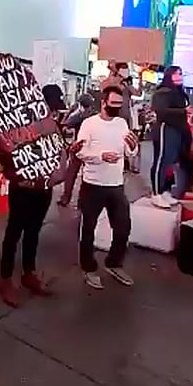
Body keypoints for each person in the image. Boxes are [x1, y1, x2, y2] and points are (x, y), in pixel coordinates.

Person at [0, 84, 66, 307]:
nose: (54, 112)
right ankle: (5, 279)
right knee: (14, 231)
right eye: (51, 108)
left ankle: (29, 273)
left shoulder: (54, 125)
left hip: (43, 188)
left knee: (34, 231)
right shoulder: (21, 123)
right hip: (22, 188)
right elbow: (6, 152)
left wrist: (58, 173)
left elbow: (59, 153)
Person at [74, 86, 139, 289]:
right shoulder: (89, 124)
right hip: (92, 184)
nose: (117, 108)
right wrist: (100, 156)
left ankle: (114, 262)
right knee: (88, 230)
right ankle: (89, 268)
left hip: (116, 184)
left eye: (120, 105)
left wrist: (133, 147)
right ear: (104, 102)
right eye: (114, 104)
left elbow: (130, 152)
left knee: (123, 227)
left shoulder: (122, 123)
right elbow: (79, 152)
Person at [149, 66, 192, 208]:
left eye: (181, 74)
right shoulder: (163, 92)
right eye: (176, 74)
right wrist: (183, 111)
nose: (179, 76)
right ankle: (156, 193)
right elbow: (161, 111)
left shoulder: (180, 93)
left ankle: (166, 190)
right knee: (162, 161)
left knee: (171, 162)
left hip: (178, 130)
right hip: (165, 129)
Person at [57, 92, 96, 206]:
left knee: (71, 174)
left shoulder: (80, 116)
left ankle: (66, 198)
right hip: (92, 148)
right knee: (87, 176)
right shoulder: (95, 115)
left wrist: (70, 111)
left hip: (78, 148)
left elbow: (65, 124)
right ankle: (82, 200)